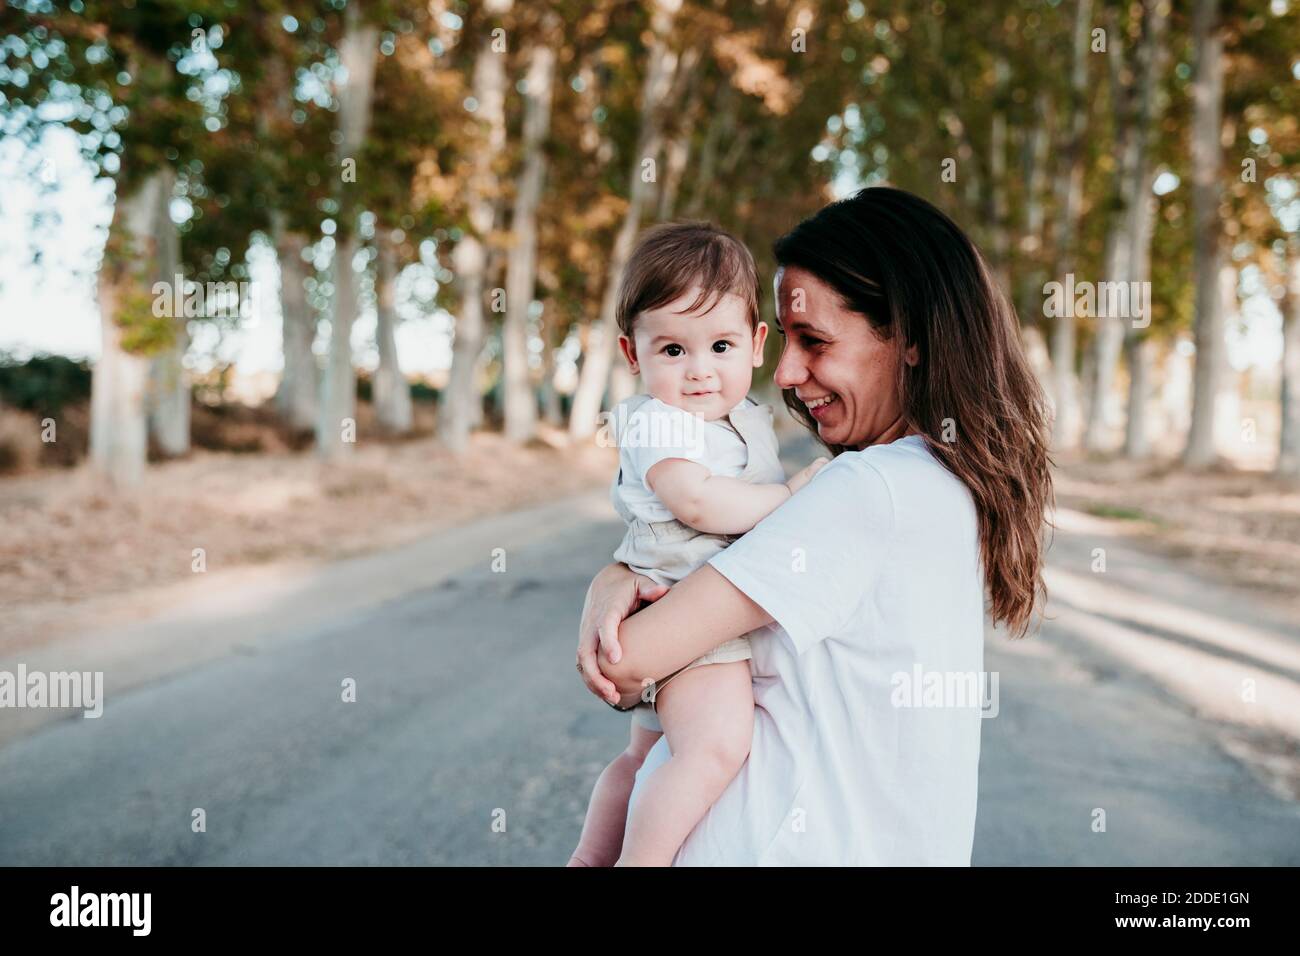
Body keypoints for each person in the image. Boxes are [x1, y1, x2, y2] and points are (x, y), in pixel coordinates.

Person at [575, 187, 1054, 865]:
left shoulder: (871, 491)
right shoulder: (932, 483)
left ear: (910, 339)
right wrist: (617, 573)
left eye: (815, 341)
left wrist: (610, 595)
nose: (790, 373)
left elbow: (628, 663)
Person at [568, 222, 827, 867]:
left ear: (756, 342)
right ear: (633, 354)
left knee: (641, 756)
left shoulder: (747, 419)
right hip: (691, 618)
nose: (700, 372)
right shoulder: (657, 421)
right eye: (673, 351)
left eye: (719, 345)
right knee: (714, 748)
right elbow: (698, 501)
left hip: (684, 607)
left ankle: (588, 860)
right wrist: (793, 500)